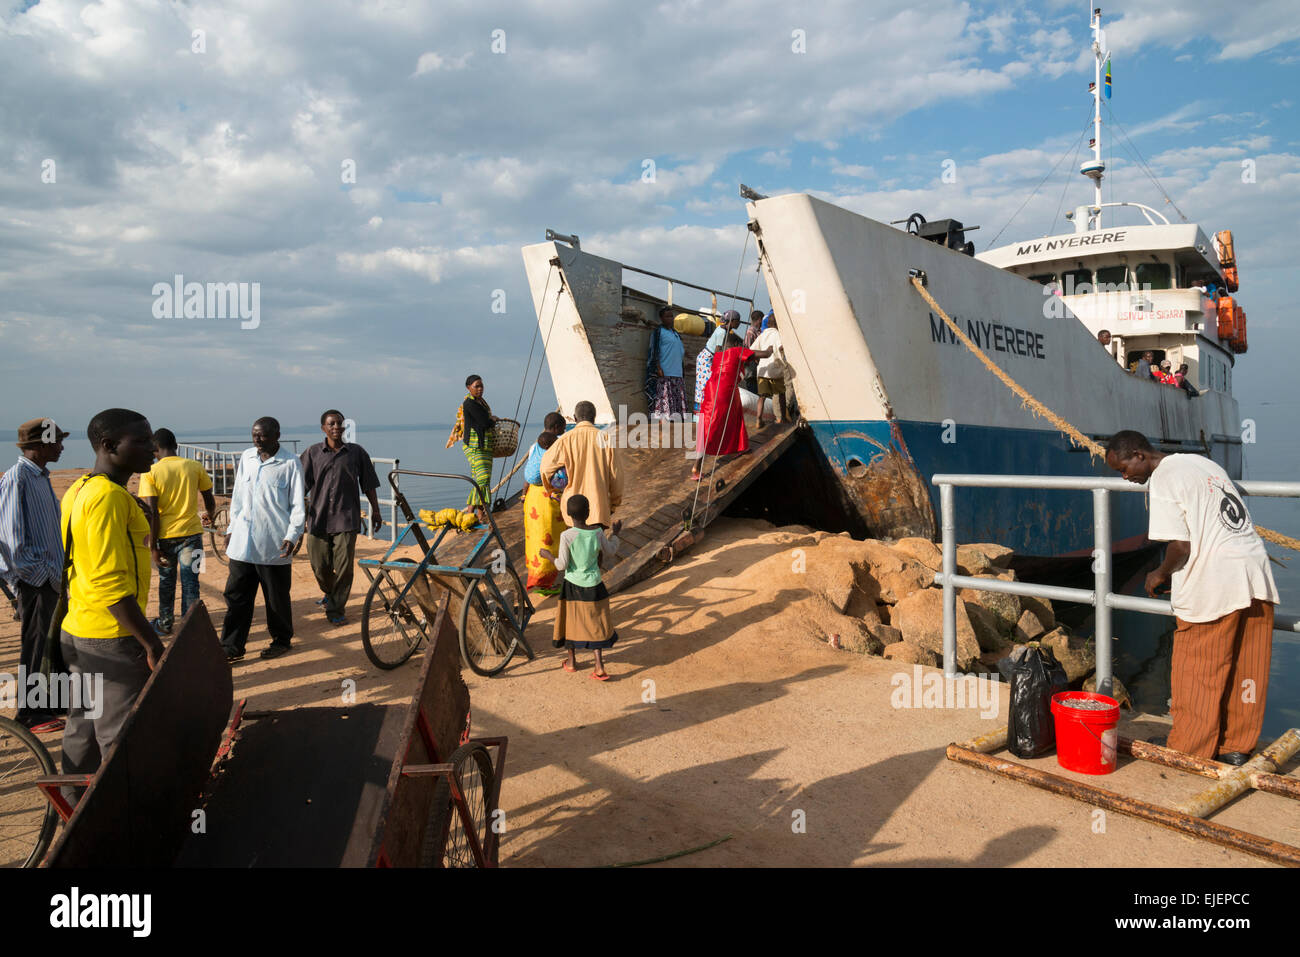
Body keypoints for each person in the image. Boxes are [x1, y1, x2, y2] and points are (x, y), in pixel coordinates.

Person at [1106, 430, 1278, 765]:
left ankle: (1189, 749)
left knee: (1198, 671)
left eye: (1124, 468)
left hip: (1216, 582)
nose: (1125, 477)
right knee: (1247, 669)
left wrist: (1160, 574)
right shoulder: (1201, 463)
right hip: (1254, 572)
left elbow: (1180, 547)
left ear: (1140, 454)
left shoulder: (1163, 480)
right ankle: (1236, 748)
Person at [59, 409, 163, 795]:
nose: (152, 447)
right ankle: (119, 826)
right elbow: (108, 582)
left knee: (82, 728)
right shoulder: (107, 499)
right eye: (141, 440)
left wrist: (133, 511)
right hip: (111, 637)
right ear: (108, 446)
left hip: (79, 627)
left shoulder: (84, 487)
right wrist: (150, 642)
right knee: (120, 741)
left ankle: (73, 810)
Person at [0, 417, 71, 732]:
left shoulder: (40, 477)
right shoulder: (17, 479)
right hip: (36, 581)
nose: (61, 446)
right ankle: (29, 714)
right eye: (56, 441)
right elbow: (12, 541)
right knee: (35, 644)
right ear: (41, 445)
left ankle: (49, 704)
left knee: (50, 643)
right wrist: (38, 575)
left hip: (51, 577)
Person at [219, 417, 305, 661]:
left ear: (277, 435)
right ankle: (231, 647)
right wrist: (230, 529)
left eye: (263, 435)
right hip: (242, 544)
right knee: (236, 597)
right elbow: (237, 497)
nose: (257, 439)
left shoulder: (290, 463)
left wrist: (292, 536)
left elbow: (298, 505)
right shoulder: (247, 458)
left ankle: (281, 640)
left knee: (275, 598)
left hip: (273, 543)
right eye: (254, 434)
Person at [300, 410, 383, 626]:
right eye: (331, 423)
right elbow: (299, 487)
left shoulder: (356, 453)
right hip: (318, 519)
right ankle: (330, 592)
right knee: (320, 566)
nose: (336, 427)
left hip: (346, 519)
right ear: (323, 428)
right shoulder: (312, 453)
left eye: (339, 423)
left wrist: (376, 510)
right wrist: (295, 515)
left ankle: (336, 609)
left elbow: (369, 485)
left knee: (344, 568)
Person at [139, 428, 216, 636]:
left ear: (155, 449)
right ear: (175, 445)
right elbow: (209, 498)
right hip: (193, 536)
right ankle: (190, 627)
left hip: (164, 538)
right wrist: (210, 515)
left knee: (166, 581)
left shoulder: (150, 473)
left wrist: (153, 546)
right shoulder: (194, 466)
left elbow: (152, 512)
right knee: (192, 582)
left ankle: (165, 624)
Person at [539, 495, 621, 681]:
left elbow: (562, 565)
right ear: (589, 513)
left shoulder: (567, 536)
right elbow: (611, 551)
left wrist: (547, 555)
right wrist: (616, 534)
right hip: (594, 585)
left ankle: (571, 662)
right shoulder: (598, 532)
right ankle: (599, 666)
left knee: (570, 622)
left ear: (568, 514)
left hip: (573, 586)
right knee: (595, 623)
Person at [690, 334, 773, 481]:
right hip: (724, 392)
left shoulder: (718, 355)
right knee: (712, 427)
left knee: (732, 416)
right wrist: (772, 346)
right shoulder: (737, 351)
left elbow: (735, 364)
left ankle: (739, 447)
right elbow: (766, 354)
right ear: (735, 343)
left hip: (712, 391)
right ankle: (696, 467)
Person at [523, 414, 568, 595]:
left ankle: (538, 580)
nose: (564, 431)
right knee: (552, 540)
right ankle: (545, 584)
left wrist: (524, 495)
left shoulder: (535, 446)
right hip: (547, 498)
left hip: (533, 496)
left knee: (535, 540)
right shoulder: (557, 446)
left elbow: (527, 473)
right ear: (556, 428)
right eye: (563, 428)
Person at [446, 375, 497, 525]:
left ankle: (478, 515)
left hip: (484, 445)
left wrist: (490, 421)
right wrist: (492, 420)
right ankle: (472, 514)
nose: (480, 389)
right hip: (475, 446)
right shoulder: (470, 403)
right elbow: (484, 422)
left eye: (481, 386)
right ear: (469, 387)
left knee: (484, 480)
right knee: (481, 480)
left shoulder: (481, 402)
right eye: (477, 386)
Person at [695, 310, 741, 413]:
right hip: (707, 359)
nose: (739, 323)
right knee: (706, 386)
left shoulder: (723, 330)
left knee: (705, 385)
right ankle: (701, 412)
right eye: (738, 321)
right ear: (732, 321)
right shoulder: (722, 332)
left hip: (706, 357)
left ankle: (703, 412)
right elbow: (718, 351)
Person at [646, 306, 687, 421]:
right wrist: (658, 367)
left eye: (671, 316)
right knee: (664, 400)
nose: (670, 319)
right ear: (661, 318)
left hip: (677, 374)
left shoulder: (676, 333)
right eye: (667, 316)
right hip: (665, 373)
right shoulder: (658, 332)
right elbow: (654, 351)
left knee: (676, 400)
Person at [752, 314, 788, 428]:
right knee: (781, 394)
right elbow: (781, 347)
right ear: (778, 324)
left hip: (763, 370)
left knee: (762, 397)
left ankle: (758, 419)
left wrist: (758, 359)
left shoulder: (762, 335)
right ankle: (782, 419)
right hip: (775, 369)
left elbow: (752, 349)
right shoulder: (778, 334)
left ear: (768, 324)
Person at [743, 310, 765, 393]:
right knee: (753, 390)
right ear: (759, 320)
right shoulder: (751, 332)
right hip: (752, 366)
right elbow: (748, 349)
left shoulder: (759, 331)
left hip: (757, 365)